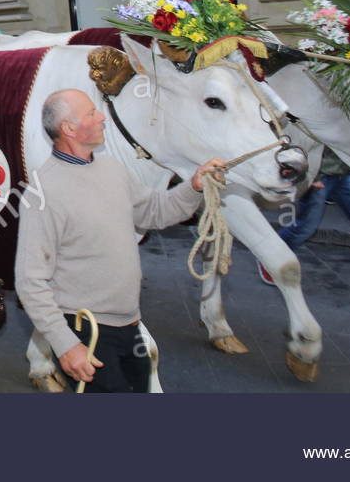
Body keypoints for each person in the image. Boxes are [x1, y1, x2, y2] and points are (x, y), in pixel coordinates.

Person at [15, 88, 225, 392]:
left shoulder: (112, 168)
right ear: (69, 129)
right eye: (91, 113)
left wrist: (194, 185)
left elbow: (155, 212)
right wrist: (65, 345)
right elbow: (30, 281)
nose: (102, 117)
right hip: (86, 333)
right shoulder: (42, 193)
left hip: (131, 325)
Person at [258, 146, 350, 303]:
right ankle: (268, 255)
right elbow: (301, 141)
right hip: (321, 176)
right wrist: (309, 176)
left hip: (344, 176)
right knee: (305, 228)